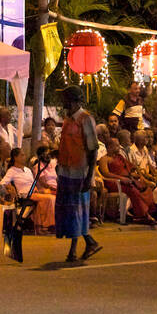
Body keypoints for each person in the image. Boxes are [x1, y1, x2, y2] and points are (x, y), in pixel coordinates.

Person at [55, 86, 102, 262]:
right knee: (68, 211)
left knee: (76, 211)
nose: (63, 103)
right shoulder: (68, 120)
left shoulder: (85, 119)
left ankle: (76, 249)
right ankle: (83, 245)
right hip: (65, 172)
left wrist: (90, 177)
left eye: (65, 99)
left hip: (79, 173)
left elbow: (93, 150)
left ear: (73, 101)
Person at [0, 147, 55, 233]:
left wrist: (36, 189)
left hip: (33, 193)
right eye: (22, 155)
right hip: (24, 195)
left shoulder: (27, 170)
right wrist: (10, 187)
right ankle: (45, 225)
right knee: (49, 199)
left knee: (52, 197)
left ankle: (41, 225)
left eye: (24, 155)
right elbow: (2, 183)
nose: (24, 157)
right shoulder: (12, 170)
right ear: (15, 157)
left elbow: (33, 183)